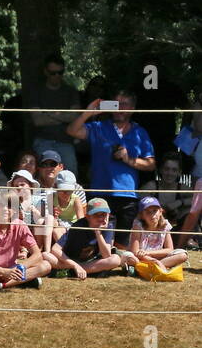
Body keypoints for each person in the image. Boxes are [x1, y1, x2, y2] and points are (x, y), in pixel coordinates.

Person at [66, 90, 156, 249]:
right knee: (94, 236)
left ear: (133, 108)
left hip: (127, 194)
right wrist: (88, 113)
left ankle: (118, 264)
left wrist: (128, 160)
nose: (120, 108)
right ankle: (96, 263)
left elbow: (151, 164)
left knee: (122, 240)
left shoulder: (140, 133)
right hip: (99, 192)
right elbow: (71, 131)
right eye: (116, 103)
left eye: (125, 104)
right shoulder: (98, 127)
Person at [50, 197, 129, 279]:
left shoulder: (108, 226)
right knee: (47, 256)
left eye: (104, 214)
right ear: (87, 216)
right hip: (73, 259)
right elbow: (55, 249)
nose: (101, 218)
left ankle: (71, 271)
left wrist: (98, 232)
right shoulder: (78, 226)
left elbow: (106, 255)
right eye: (96, 215)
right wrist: (74, 265)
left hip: (92, 261)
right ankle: (80, 270)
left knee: (115, 259)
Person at [27, 53, 81, 172]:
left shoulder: (70, 91)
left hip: (66, 141)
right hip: (43, 141)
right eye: (53, 73)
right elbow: (38, 120)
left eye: (60, 72)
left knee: (71, 175)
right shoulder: (36, 91)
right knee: (46, 175)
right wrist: (63, 116)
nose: (57, 76)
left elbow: (75, 116)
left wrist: (49, 113)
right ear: (46, 72)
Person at [0, 215, 50, 291]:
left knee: (46, 265)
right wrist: (3, 271)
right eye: (2, 205)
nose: (6, 209)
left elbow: (37, 254)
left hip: (13, 268)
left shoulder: (20, 225)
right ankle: (22, 281)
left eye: (9, 205)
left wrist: (17, 269)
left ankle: (0, 285)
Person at [128, 197, 188, 273]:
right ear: (142, 215)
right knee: (130, 258)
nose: (152, 215)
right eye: (148, 212)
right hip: (141, 258)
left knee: (183, 255)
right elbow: (135, 251)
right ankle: (152, 267)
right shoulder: (138, 226)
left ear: (160, 212)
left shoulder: (165, 226)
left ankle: (150, 268)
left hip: (158, 258)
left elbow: (169, 249)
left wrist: (151, 255)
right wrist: (151, 259)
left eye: (155, 211)